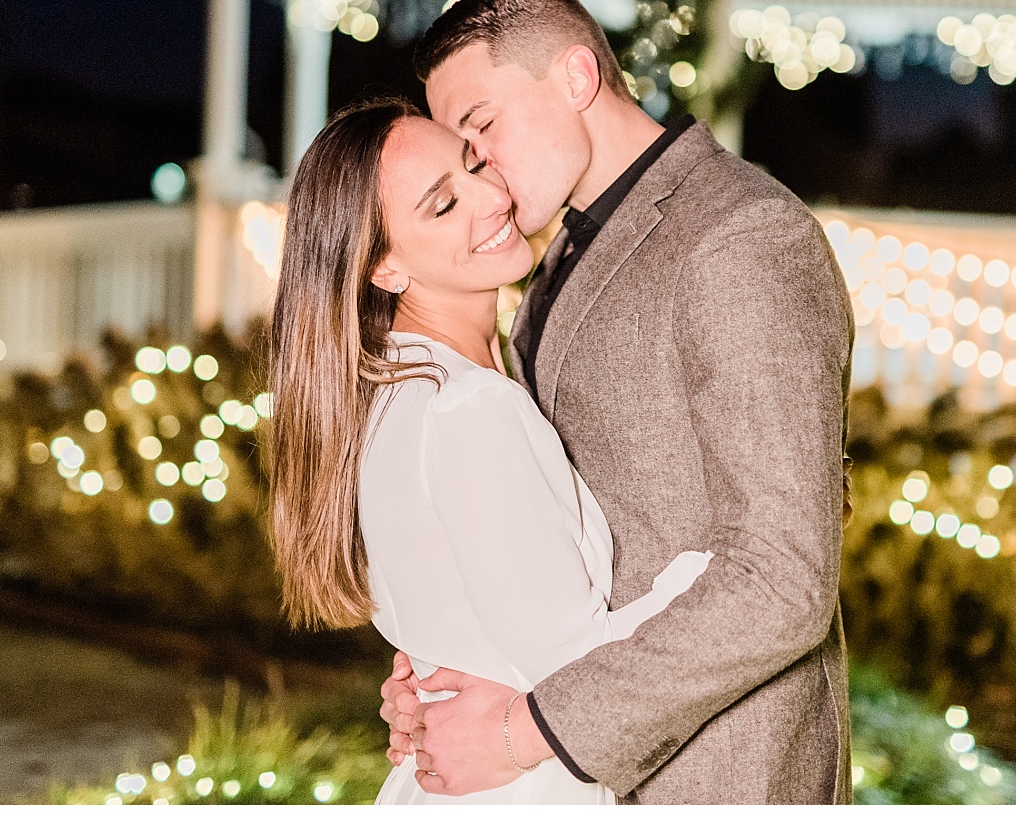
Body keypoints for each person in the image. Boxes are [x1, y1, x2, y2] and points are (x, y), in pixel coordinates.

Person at [378, 0, 855, 803]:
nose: (483, 170)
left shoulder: (740, 235)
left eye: (482, 127)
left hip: (716, 772)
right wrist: (445, 668)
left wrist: (521, 729)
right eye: (463, 154)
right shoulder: (551, 257)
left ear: (575, 77)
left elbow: (782, 577)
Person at [264, 96, 713, 804]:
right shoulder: (467, 407)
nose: (490, 196)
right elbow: (575, 665)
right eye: (443, 205)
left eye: (475, 163)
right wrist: (715, 562)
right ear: (383, 267)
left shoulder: (391, 393)